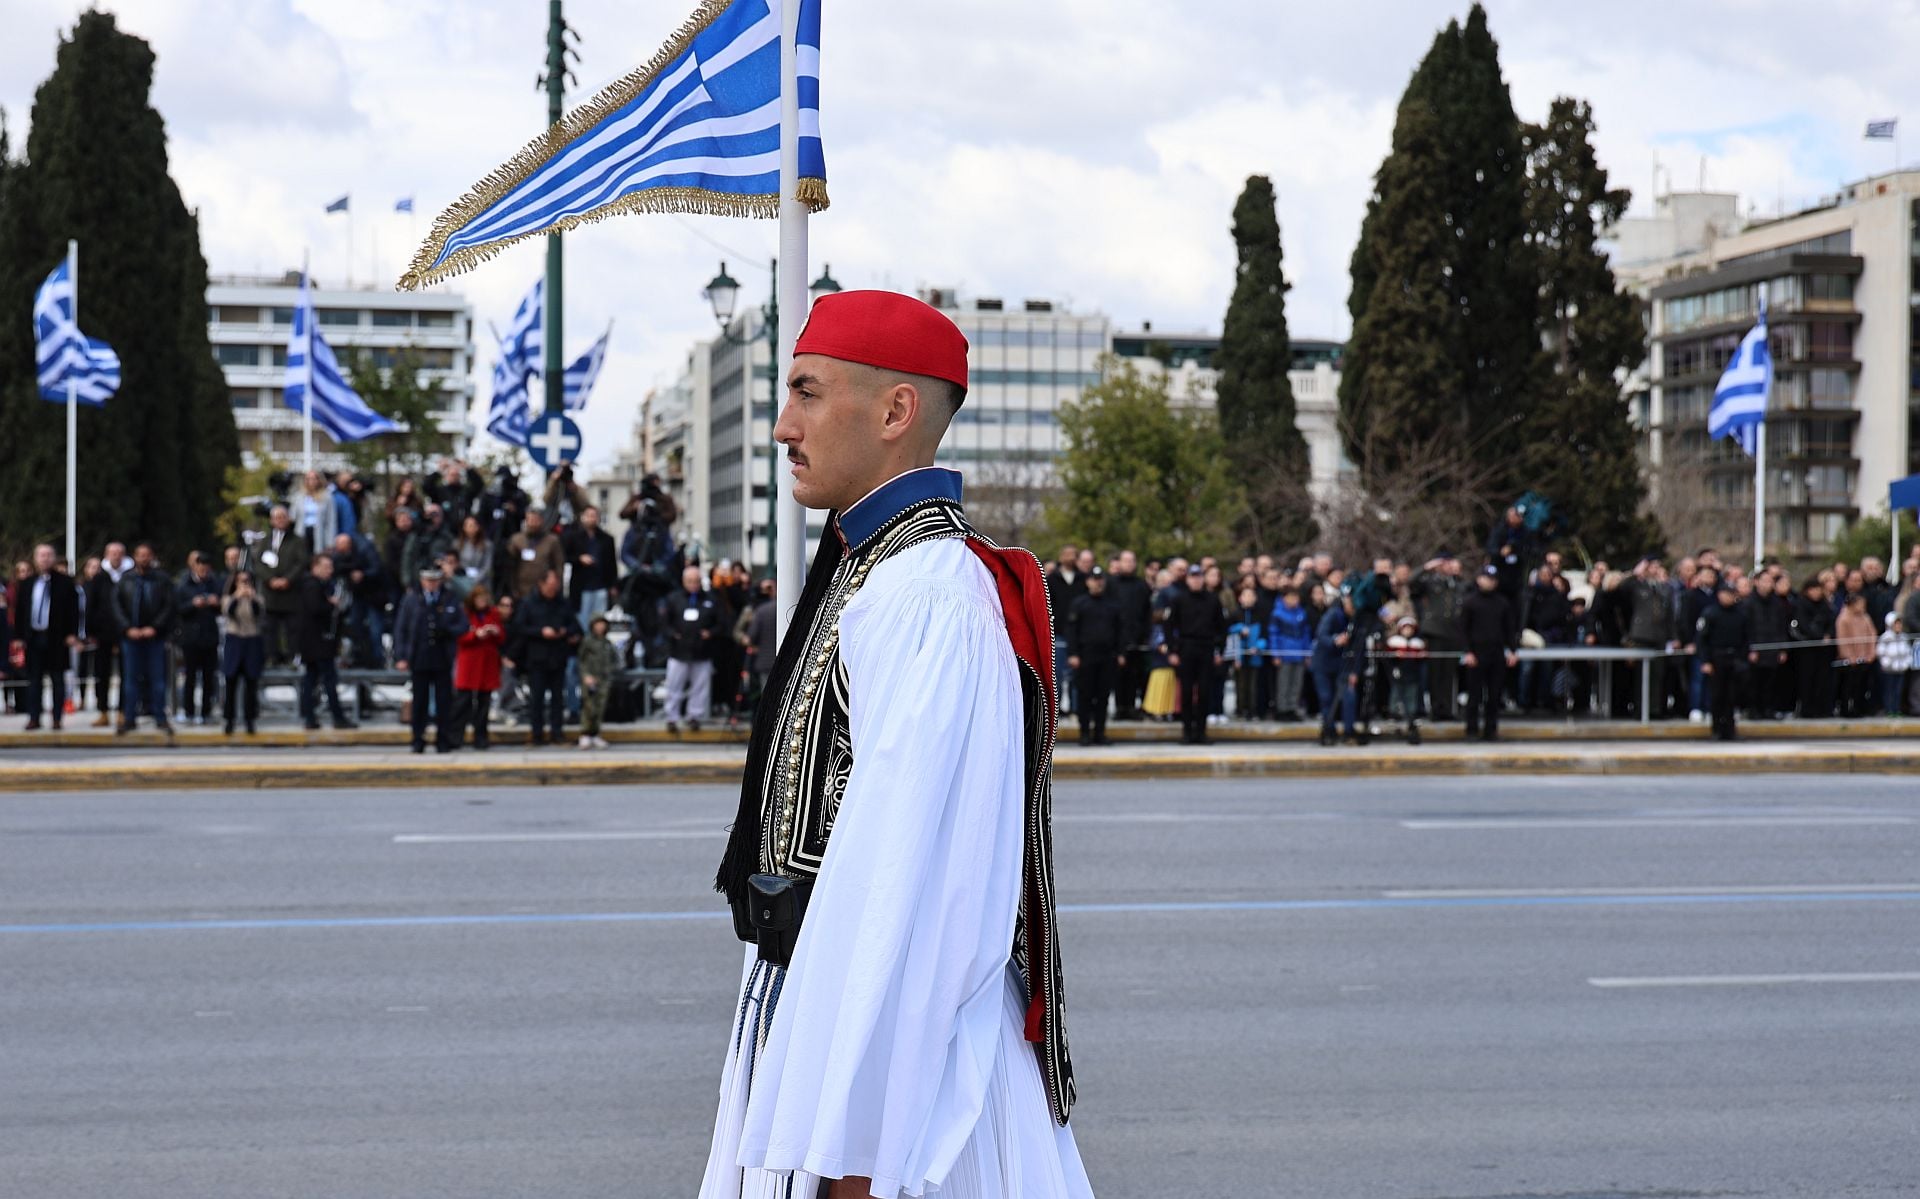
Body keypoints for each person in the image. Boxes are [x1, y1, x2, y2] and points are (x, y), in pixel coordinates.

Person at [699, 290, 1089, 1199]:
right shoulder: (877, 573)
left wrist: (858, 1148)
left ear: (894, 411)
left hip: (889, 1078)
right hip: (825, 1032)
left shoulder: (925, 596)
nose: (782, 427)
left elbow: (915, 897)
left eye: (806, 392)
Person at [394, 566, 470, 753]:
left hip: (442, 656)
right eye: (428, 580)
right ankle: (418, 738)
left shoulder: (449, 598)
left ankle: (443, 739)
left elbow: (463, 625)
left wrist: (448, 629)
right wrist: (402, 656)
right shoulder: (412, 599)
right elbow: (401, 628)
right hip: (419, 655)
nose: (431, 584)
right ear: (422, 581)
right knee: (420, 701)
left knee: (444, 701)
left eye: (435, 580)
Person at [13, 543, 79, 731]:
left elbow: (74, 611)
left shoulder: (65, 582)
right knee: (34, 680)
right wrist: (19, 636)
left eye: (49, 555)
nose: (45, 559)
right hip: (34, 638)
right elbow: (20, 611)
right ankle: (34, 717)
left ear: (54, 557)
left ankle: (57, 718)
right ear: (35, 558)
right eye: (41, 555)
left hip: (57, 639)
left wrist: (72, 633)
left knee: (57, 679)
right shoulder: (27, 583)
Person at [511, 568, 580, 747]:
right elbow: (519, 627)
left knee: (558, 697)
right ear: (541, 584)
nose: (553, 589)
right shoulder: (528, 603)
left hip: (558, 655)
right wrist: (540, 632)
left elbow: (575, 626)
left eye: (555, 586)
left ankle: (557, 733)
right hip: (537, 657)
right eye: (549, 586)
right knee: (537, 698)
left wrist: (565, 632)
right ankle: (537, 734)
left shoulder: (562, 603)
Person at [112, 543, 176, 735]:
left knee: (158, 680)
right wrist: (127, 628)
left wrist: (155, 628)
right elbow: (116, 606)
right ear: (134, 557)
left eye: (147, 555)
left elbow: (168, 606)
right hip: (131, 638)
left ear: (152, 557)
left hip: (154, 638)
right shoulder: (126, 579)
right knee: (130, 681)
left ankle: (160, 717)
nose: (143, 559)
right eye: (140, 555)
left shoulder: (161, 580)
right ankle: (129, 718)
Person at [1163, 562, 1226, 746]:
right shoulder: (1179, 599)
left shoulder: (1213, 599)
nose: (1196, 580)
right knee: (1187, 692)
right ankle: (1187, 732)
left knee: (1205, 691)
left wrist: (1219, 650)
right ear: (1188, 579)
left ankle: (1201, 731)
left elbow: (1222, 627)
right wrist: (1172, 649)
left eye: (1199, 577)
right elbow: (1168, 626)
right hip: (1186, 647)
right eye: (1193, 577)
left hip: (1206, 647)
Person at [294, 553, 357, 730]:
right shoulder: (312, 585)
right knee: (327, 679)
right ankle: (336, 716)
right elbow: (316, 608)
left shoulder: (317, 584)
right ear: (315, 567)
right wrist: (331, 604)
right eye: (326, 567)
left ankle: (310, 717)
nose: (330, 570)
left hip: (314, 641)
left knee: (312, 678)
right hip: (317, 642)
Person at [1461, 564, 1518, 742]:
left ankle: (1490, 730)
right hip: (1477, 652)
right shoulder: (1470, 602)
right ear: (1479, 579)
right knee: (1474, 694)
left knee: (1494, 695)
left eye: (1493, 579)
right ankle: (1471, 729)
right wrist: (1467, 652)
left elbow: (1509, 628)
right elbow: (1463, 629)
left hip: (1497, 652)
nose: (1490, 582)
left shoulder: (1502, 602)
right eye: (1487, 578)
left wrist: (1513, 650)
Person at [1066, 566, 1123, 746]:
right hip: (1085, 655)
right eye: (1094, 579)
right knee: (1085, 696)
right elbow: (1072, 631)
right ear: (1088, 581)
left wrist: (1120, 652)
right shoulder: (1079, 603)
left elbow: (1120, 631)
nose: (1097, 583)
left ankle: (1100, 732)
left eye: (1100, 579)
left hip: (1107, 656)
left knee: (1103, 697)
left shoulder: (1113, 605)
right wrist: (1073, 653)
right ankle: (1084, 733)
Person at [662, 563, 719, 735]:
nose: (693, 584)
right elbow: (664, 623)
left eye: (696, 581)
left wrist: (710, 633)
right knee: (674, 685)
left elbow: (721, 623)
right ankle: (672, 717)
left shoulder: (709, 599)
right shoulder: (674, 599)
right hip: (679, 651)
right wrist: (673, 634)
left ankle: (694, 715)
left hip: (701, 650)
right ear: (683, 581)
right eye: (690, 581)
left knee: (700, 686)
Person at [1411, 553, 1465, 721]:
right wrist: (1427, 567)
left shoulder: (1459, 584)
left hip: (1454, 632)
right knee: (1436, 672)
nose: (1450, 568)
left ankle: (1447, 708)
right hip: (1436, 631)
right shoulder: (1431, 581)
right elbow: (1413, 583)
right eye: (1447, 565)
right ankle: (1436, 708)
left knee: (1449, 673)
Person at [1697, 582, 1754, 741]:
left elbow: (1746, 637)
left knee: (1732, 696)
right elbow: (1702, 640)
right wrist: (1706, 661)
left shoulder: (1740, 614)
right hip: (1717, 657)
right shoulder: (1710, 613)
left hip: (1734, 657)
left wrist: (1744, 656)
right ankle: (1716, 729)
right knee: (1717, 695)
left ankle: (1730, 729)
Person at [84, 542, 132, 724]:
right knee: (101, 674)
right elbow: (91, 605)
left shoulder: (130, 576)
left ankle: (123, 711)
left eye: (119, 552)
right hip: (103, 633)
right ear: (106, 555)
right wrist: (90, 631)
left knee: (126, 673)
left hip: (126, 632)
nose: (116, 556)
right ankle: (103, 711)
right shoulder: (99, 578)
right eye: (113, 553)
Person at [256, 504, 311, 665]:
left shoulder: (298, 540)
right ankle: (272, 657)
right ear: (272, 521)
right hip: (270, 592)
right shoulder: (266, 540)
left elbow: (301, 563)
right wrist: (270, 579)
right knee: (270, 628)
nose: (280, 521)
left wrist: (288, 579)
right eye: (277, 518)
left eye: (283, 517)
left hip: (291, 592)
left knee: (292, 629)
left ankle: (292, 657)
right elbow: (258, 563)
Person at [453, 584, 505, 750]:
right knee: (463, 702)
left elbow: (502, 637)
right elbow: (459, 637)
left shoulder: (493, 613)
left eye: (485, 599)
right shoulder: (464, 614)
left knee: (484, 704)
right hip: (470, 662)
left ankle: (481, 738)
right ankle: (456, 737)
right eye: (479, 599)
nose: (483, 602)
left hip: (487, 663)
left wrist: (495, 632)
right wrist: (475, 635)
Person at [175, 551, 223, 725]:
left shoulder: (215, 584)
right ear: (194, 567)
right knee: (190, 677)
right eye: (200, 568)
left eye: (206, 569)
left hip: (209, 637)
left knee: (209, 677)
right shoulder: (184, 585)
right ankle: (188, 711)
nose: (203, 572)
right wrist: (192, 605)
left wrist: (215, 603)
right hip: (190, 638)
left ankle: (205, 711)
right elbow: (178, 609)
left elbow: (222, 608)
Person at [1106, 549, 1153, 720]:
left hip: (1137, 638)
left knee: (1134, 675)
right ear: (1119, 563)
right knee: (1118, 675)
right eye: (1125, 561)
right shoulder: (1110, 584)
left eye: (1132, 561)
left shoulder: (1142, 585)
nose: (1129, 564)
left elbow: (1147, 613)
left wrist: (1145, 634)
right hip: (1116, 638)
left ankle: (1131, 707)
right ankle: (1120, 707)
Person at [220, 571, 266, 735]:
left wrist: (252, 598)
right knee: (231, 682)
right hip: (235, 639)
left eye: (247, 581)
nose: (244, 585)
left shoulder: (257, 598)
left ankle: (250, 719)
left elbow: (258, 614)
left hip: (252, 640)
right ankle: (229, 719)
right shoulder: (228, 598)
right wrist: (237, 597)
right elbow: (229, 612)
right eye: (241, 581)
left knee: (251, 683)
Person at [563, 505, 618, 625]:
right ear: (583, 517)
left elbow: (612, 563)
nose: (591, 519)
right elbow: (565, 556)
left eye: (594, 516)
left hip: (600, 586)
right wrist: (579, 559)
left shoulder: (607, 539)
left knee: (599, 622)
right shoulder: (573, 537)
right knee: (582, 621)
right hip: (582, 587)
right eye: (588, 516)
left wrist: (613, 585)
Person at [1789, 578, 1836, 717]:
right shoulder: (1801, 605)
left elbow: (1831, 621)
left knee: (1822, 679)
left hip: (1823, 650)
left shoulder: (1824, 605)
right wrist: (1818, 637)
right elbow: (1803, 624)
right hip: (1808, 648)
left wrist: (1828, 635)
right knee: (1807, 679)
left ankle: (1822, 708)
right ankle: (1807, 709)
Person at [1266, 586, 1311, 722]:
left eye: (1296, 597)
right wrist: (1276, 654)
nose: (1293, 600)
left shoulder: (1301, 613)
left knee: (1297, 683)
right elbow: (1273, 634)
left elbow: (1306, 634)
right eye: (1291, 597)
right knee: (1284, 682)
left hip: (1299, 652)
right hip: (1285, 652)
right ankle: (1282, 708)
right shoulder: (1277, 614)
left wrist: (1307, 653)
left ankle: (1292, 707)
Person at [503, 508, 565, 602]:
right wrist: (512, 588)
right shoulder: (517, 539)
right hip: (521, 588)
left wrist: (556, 584)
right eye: (530, 520)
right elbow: (509, 566)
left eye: (536, 520)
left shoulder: (552, 540)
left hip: (544, 589)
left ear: (541, 521)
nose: (533, 523)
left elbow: (559, 564)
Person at [1384, 614, 1427, 745]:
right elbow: (1387, 658)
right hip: (1398, 673)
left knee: (1411, 696)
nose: (1407, 631)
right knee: (1396, 694)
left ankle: (1411, 715)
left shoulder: (1417, 643)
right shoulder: (1394, 642)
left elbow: (1422, 660)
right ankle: (1393, 714)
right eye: (1405, 628)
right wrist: (1395, 656)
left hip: (1412, 675)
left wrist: (1422, 656)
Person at [1834, 592, 1878, 718]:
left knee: (1862, 685)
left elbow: (1872, 634)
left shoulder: (1865, 617)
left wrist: (1871, 652)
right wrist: (1848, 656)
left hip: (1864, 657)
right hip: (1850, 660)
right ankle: (1846, 708)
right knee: (1848, 686)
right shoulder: (1843, 618)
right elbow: (1842, 639)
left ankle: (1860, 707)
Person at [577, 614, 616, 750]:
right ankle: (585, 733)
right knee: (589, 707)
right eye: (597, 624)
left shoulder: (607, 643)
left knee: (600, 707)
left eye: (602, 624)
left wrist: (610, 672)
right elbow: (581, 661)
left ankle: (595, 733)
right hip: (590, 678)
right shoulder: (588, 642)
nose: (600, 627)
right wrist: (586, 675)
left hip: (603, 680)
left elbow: (614, 660)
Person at [1879, 614, 1911, 717]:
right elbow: (1881, 652)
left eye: (1899, 624)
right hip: (1889, 670)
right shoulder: (1885, 638)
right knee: (1889, 690)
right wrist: (1887, 664)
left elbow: (1908, 652)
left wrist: (1906, 664)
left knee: (1898, 691)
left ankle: (1897, 709)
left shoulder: (1904, 637)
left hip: (1901, 669)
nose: (1898, 626)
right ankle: (1889, 709)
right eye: (1895, 624)